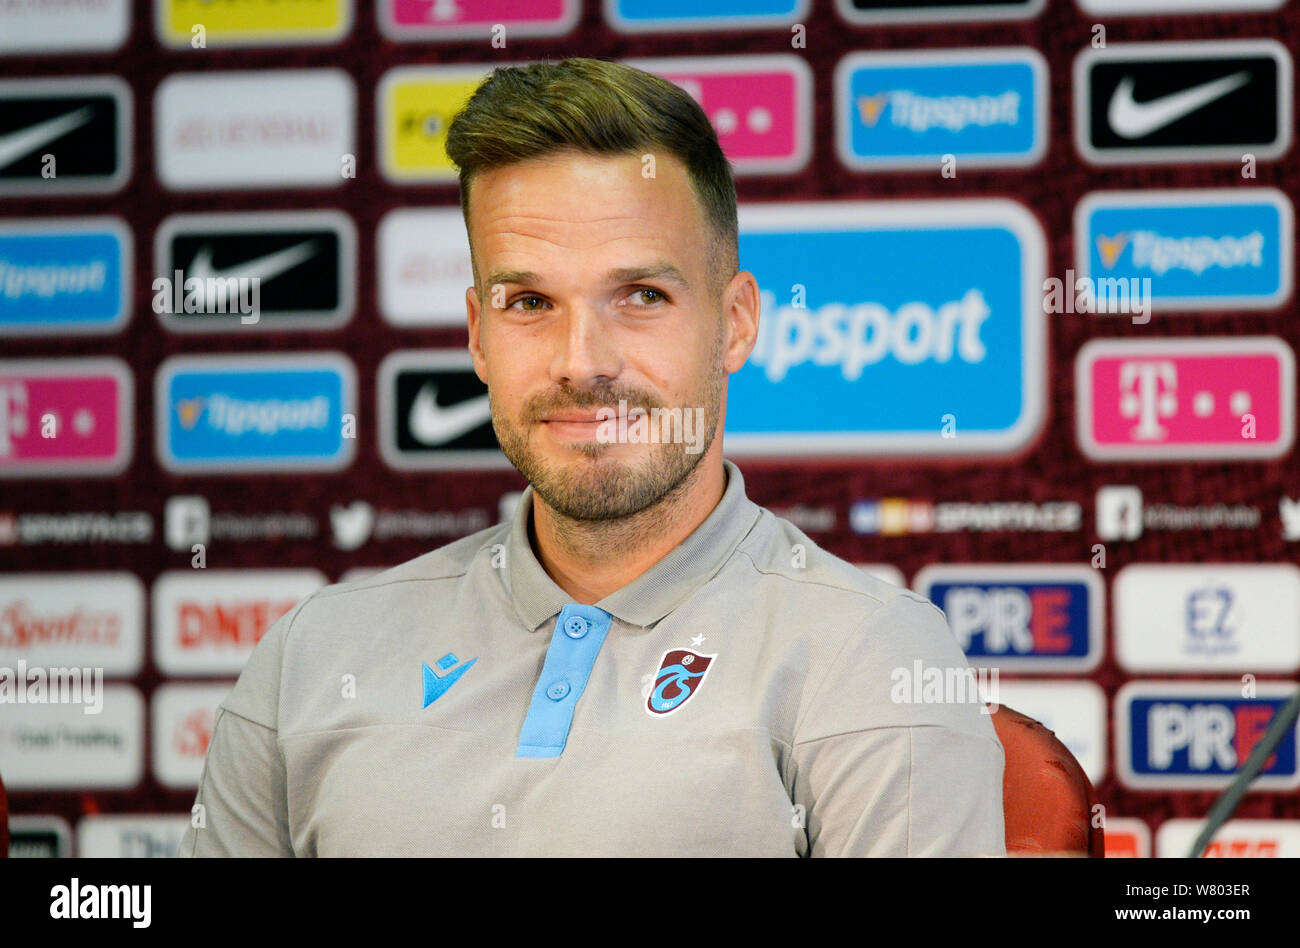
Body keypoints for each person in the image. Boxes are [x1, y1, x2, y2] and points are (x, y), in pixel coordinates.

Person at [179, 58, 1005, 858]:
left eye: (641, 296)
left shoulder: (871, 657)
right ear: (477, 335)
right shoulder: (312, 657)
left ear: (737, 321)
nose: (582, 360)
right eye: (530, 302)